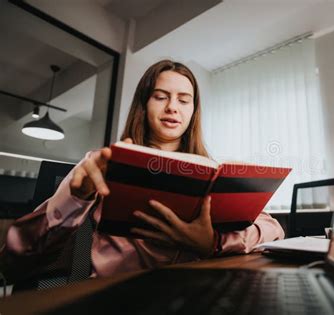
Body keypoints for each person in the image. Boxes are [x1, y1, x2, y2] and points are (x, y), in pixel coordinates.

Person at [0, 60, 284, 281]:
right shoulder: (104, 163)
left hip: (195, 292)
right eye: (161, 97)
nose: (173, 107)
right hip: (121, 295)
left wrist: (213, 242)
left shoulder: (212, 172)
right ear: (144, 104)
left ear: (193, 110)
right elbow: (15, 258)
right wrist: (76, 197)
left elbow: (273, 229)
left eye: (184, 100)